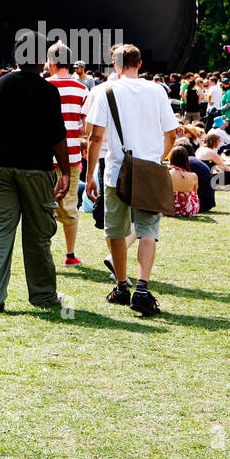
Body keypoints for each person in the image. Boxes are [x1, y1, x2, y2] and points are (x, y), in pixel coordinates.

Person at [0, 41, 71, 312]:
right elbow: (57, 135)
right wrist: (66, 171)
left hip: (2, 168)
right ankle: (43, 295)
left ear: (16, 57)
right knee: (38, 234)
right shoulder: (48, 90)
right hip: (37, 169)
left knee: (0, 232)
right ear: (42, 61)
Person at [84, 43, 178, 316]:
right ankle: (143, 289)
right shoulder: (157, 90)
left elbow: (95, 136)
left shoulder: (105, 91)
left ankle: (121, 286)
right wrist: (158, 155)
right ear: (139, 64)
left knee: (115, 229)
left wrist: (90, 175)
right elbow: (171, 133)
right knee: (148, 230)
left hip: (116, 171)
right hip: (148, 168)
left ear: (115, 64)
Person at [45, 43, 88, 266]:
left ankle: (45, 255)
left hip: (45, 157)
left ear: (51, 61)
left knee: (44, 206)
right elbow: (86, 127)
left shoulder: (43, 86)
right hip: (71, 157)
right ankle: (70, 255)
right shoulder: (81, 89)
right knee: (70, 207)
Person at [165, 145, 201, 217]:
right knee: (193, 193)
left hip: (167, 209)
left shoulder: (166, 174)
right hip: (187, 210)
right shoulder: (193, 176)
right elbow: (195, 190)